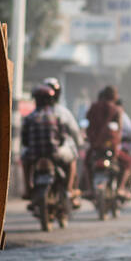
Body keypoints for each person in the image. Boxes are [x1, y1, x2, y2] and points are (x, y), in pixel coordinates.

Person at [20, 84, 80, 203]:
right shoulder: (57, 116)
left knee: (24, 161)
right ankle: (69, 189)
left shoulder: (29, 117)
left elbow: (25, 140)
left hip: (34, 155)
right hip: (55, 154)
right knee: (72, 160)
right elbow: (62, 137)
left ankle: (28, 189)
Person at [85, 85, 131, 199]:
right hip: (111, 148)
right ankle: (120, 188)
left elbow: (88, 124)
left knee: (87, 163)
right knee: (127, 162)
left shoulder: (93, 107)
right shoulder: (117, 110)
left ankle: (90, 189)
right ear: (114, 96)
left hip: (95, 147)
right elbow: (119, 129)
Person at [42, 76, 82, 204]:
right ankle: (69, 190)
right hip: (58, 150)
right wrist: (80, 143)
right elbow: (75, 131)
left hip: (39, 150)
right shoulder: (62, 113)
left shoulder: (35, 113)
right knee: (73, 160)